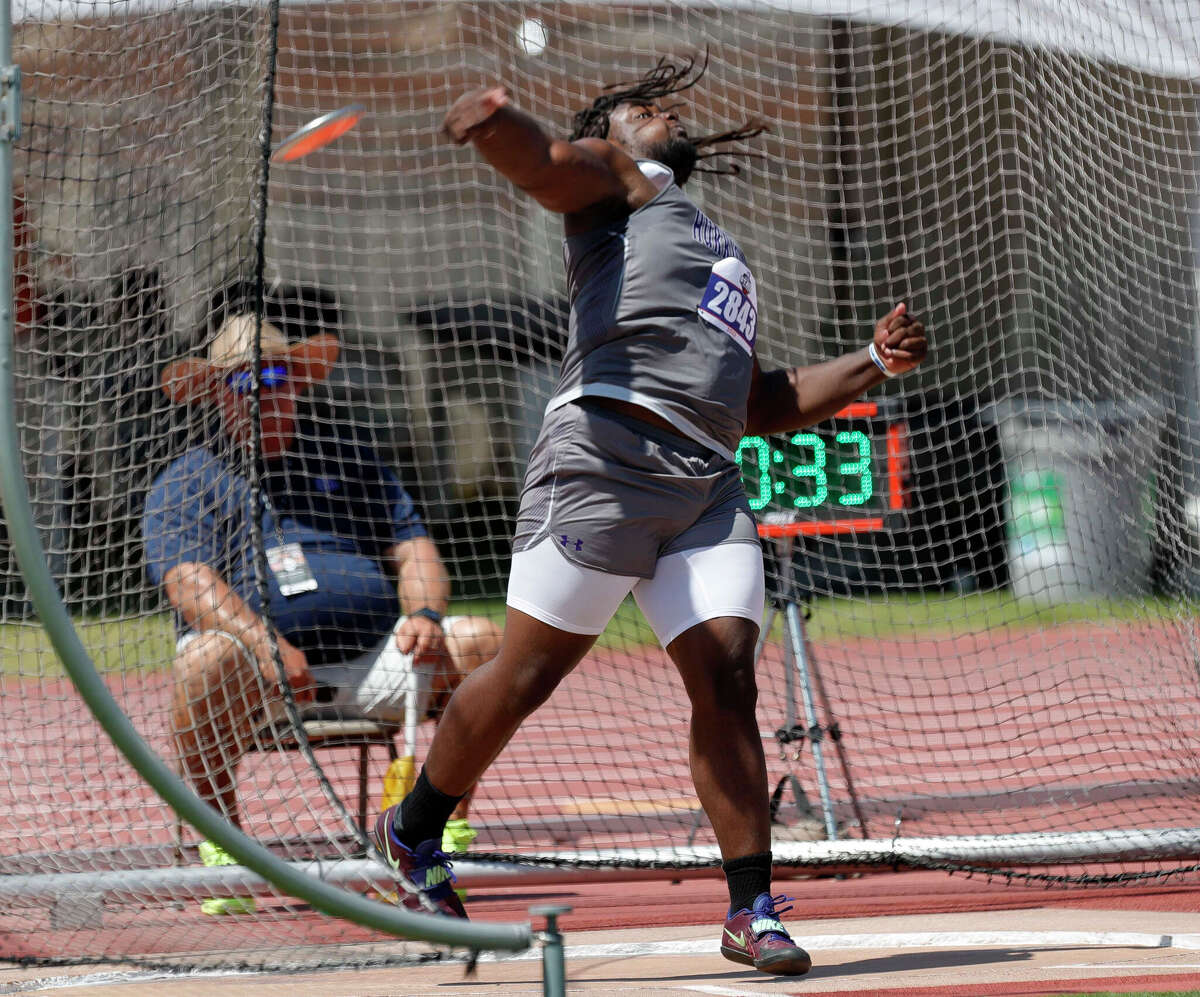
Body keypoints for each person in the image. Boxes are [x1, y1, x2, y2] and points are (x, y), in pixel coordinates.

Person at [372, 55, 927, 975]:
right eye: (643, 106)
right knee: (527, 675)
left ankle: (751, 908)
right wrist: (493, 125)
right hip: (606, 459)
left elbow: (758, 400)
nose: (664, 111)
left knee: (729, 678)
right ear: (611, 131)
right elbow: (547, 164)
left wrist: (871, 360)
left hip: (706, 482)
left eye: (665, 106)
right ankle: (414, 825)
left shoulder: (716, 243)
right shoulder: (620, 179)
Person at [142, 313, 501, 912]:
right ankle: (224, 843)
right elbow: (188, 583)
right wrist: (264, 643)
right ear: (213, 393)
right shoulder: (186, 481)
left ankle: (435, 830)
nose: (261, 392)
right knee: (203, 658)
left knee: (482, 642)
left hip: (371, 660)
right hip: (255, 679)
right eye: (241, 381)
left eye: (276, 375)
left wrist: (425, 615)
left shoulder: (352, 460)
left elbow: (415, 550)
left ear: (298, 383)